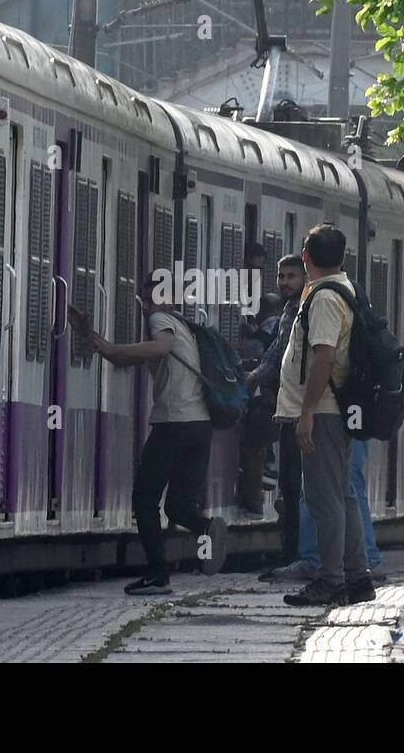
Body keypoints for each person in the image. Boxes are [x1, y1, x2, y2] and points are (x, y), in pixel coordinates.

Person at [73, 273, 228, 595]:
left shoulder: (162, 320)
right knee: (178, 506)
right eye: (143, 300)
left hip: (174, 424)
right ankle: (207, 527)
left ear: (167, 299)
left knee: (144, 499)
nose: (145, 307)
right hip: (200, 424)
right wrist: (95, 338)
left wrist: (108, 344)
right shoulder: (185, 325)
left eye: (150, 299)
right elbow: (119, 357)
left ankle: (158, 575)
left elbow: (160, 348)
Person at [277, 224, 374, 606]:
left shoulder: (324, 298)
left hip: (326, 411)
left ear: (305, 257)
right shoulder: (346, 289)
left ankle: (332, 580)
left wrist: (307, 414)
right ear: (343, 257)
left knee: (324, 499)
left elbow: (324, 357)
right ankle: (356, 577)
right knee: (343, 495)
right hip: (336, 410)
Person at [250, 255, 308, 569]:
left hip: (303, 408)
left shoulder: (309, 307)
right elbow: (277, 351)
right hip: (287, 408)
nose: (284, 282)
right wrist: (256, 375)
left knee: (298, 484)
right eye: (281, 276)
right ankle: (291, 553)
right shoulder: (289, 310)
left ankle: (300, 555)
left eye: (291, 276)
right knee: (288, 482)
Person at [237, 293, 284, 518]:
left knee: (253, 447)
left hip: (267, 400)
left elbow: (260, 361)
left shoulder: (270, 331)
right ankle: (271, 473)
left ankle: (254, 502)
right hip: (281, 402)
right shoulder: (284, 325)